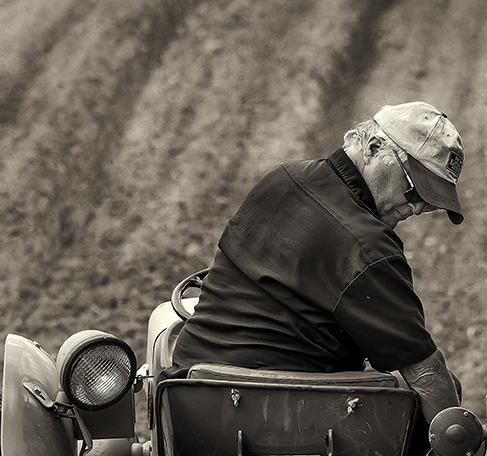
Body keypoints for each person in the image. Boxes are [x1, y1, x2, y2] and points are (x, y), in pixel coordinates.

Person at [170, 100, 464, 425]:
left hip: (191, 402)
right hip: (287, 420)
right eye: (414, 190)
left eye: (429, 202)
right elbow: (425, 371)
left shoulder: (282, 179)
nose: (418, 209)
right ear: (374, 147)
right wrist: (460, 450)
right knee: (439, 399)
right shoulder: (368, 248)